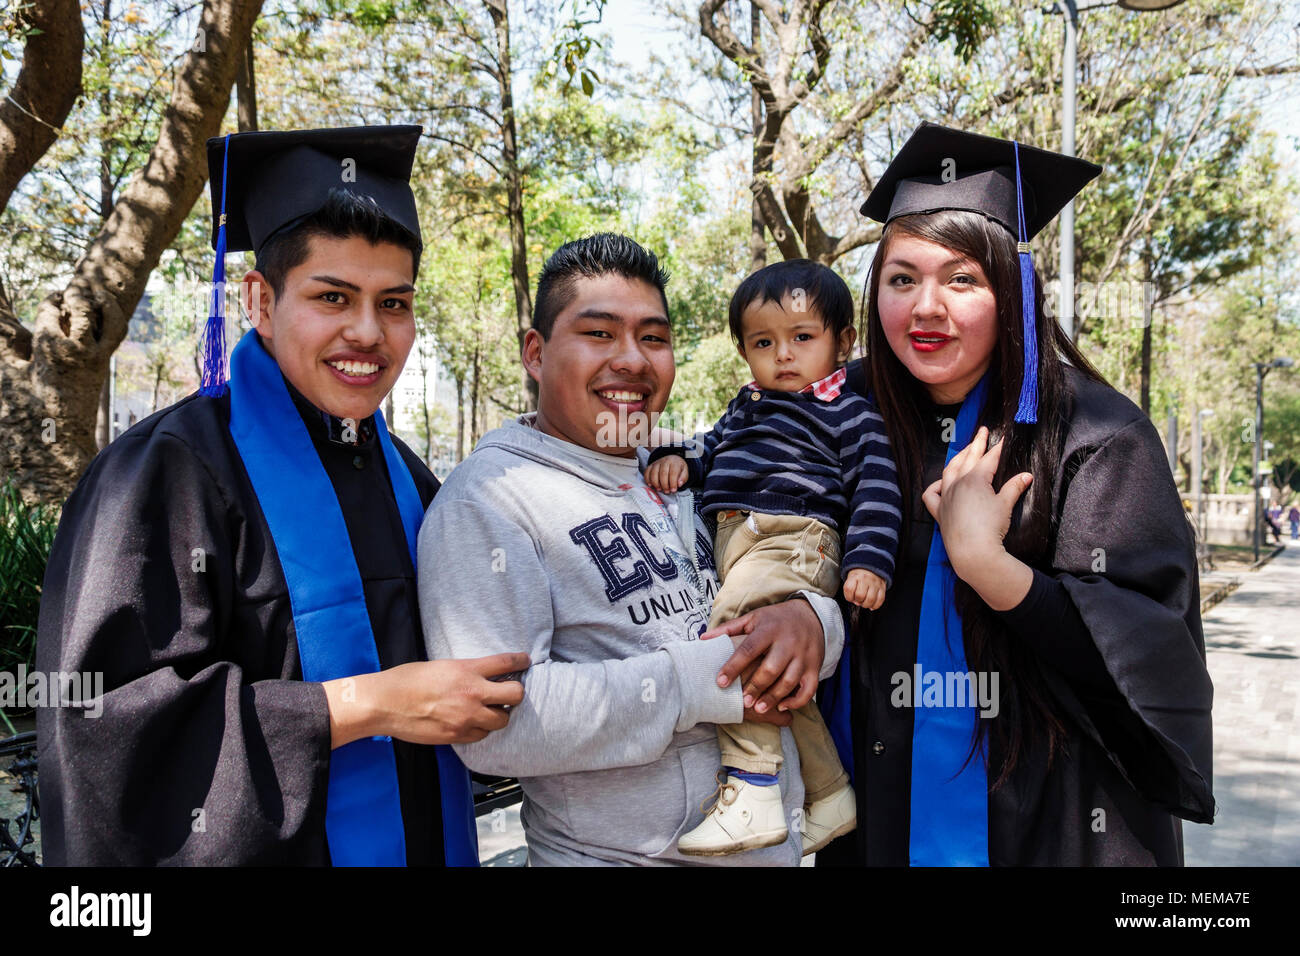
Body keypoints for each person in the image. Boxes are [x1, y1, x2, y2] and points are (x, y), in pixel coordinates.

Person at [35, 126, 527, 865]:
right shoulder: (163, 476)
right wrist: (372, 704)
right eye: (333, 297)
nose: (369, 332)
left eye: (395, 303)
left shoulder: (405, 474)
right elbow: (103, 727)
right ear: (260, 300)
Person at [815, 122, 1215, 866]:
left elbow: (1149, 657)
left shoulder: (1095, 430)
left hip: (1055, 819)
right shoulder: (844, 411)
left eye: (961, 279)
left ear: (1014, 293)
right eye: (902, 279)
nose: (925, 307)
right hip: (878, 814)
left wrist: (988, 565)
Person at [418, 234, 846, 866]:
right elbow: (495, 725)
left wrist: (816, 620)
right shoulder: (491, 502)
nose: (633, 360)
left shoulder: (690, 469)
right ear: (535, 353)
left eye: (653, 337)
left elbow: (789, 564)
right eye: (599, 334)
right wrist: (703, 679)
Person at [642, 259, 900, 856]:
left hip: (794, 537)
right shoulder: (746, 406)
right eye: (764, 342)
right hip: (740, 542)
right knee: (776, 668)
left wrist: (870, 562)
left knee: (735, 637)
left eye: (802, 338)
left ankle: (754, 783)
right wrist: (685, 462)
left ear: (843, 343)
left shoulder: (849, 413)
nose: (783, 354)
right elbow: (714, 449)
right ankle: (831, 793)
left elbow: (877, 491)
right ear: (744, 350)